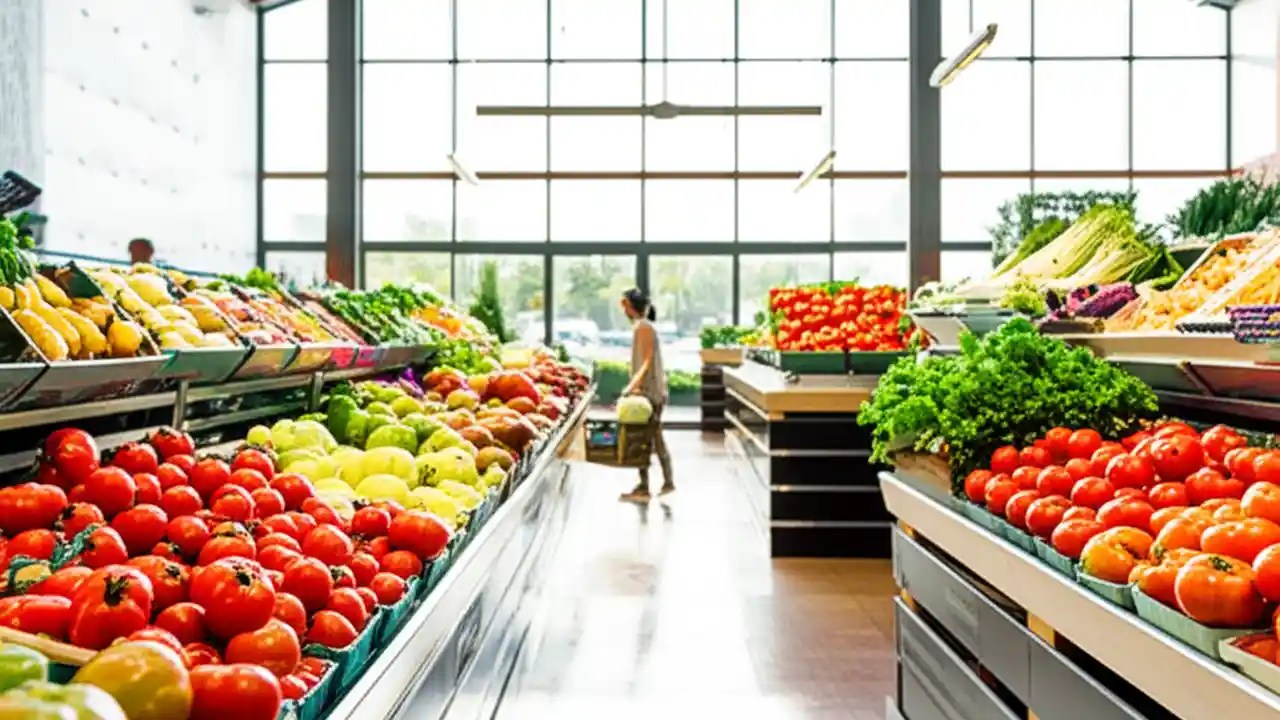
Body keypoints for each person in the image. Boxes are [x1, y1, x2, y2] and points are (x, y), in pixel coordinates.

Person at [618, 288, 674, 502]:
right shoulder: (643, 327)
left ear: (632, 306)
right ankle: (658, 483)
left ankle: (652, 485)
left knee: (647, 438)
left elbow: (647, 360)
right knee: (651, 437)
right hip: (650, 390)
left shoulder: (643, 327)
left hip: (650, 392)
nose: (624, 310)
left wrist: (632, 385)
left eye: (625, 306)